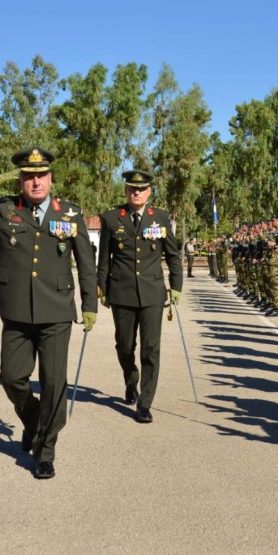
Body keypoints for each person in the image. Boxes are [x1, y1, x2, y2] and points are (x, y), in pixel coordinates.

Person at [0, 147, 97, 479]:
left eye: (41, 176)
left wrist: (89, 305)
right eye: (29, 177)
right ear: (20, 180)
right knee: (11, 377)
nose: (36, 182)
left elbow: (86, 265)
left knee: (53, 384)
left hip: (57, 310)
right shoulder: (4, 209)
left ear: (50, 178)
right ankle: (33, 422)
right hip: (16, 309)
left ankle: (45, 452)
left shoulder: (70, 214)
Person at [97, 170, 183, 423]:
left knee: (151, 349)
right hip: (121, 292)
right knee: (125, 346)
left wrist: (176, 285)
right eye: (132, 189)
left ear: (149, 192)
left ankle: (145, 404)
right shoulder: (112, 218)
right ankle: (131, 379)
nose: (136, 192)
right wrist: (101, 288)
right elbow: (104, 259)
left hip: (152, 294)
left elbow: (173, 256)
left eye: (141, 189)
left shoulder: (162, 218)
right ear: (125, 191)